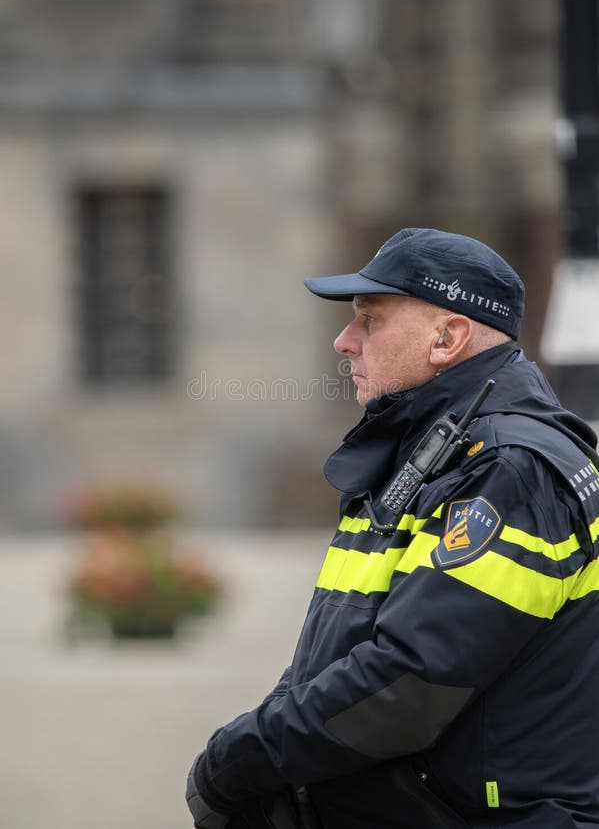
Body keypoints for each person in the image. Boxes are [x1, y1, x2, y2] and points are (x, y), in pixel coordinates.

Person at [186, 228, 599, 829]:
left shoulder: (506, 467)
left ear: (446, 337)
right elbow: (333, 653)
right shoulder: (429, 449)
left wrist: (236, 761)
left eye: (369, 321)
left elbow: (412, 681)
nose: (343, 342)